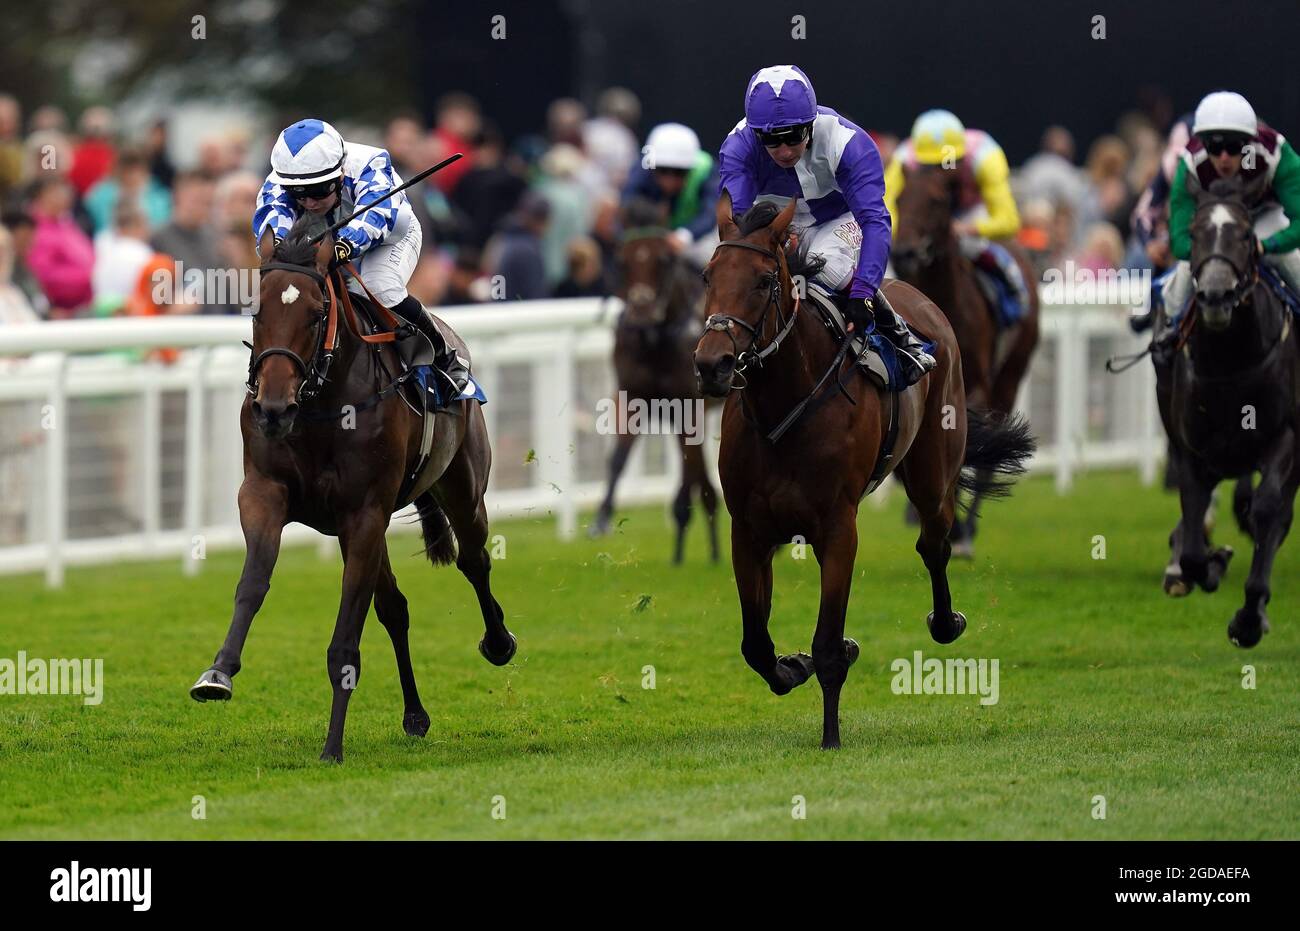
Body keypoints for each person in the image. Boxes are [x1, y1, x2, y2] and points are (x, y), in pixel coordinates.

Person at [719, 65, 934, 385]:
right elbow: (741, 221)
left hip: (837, 220)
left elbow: (875, 221)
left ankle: (900, 335)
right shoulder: (738, 146)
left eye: (793, 136)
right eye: (772, 141)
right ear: (755, 134)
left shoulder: (850, 143)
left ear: (810, 125)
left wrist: (862, 292)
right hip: (775, 223)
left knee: (826, 262)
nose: (785, 151)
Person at [252, 118, 469, 399]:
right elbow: (272, 222)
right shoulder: (278, 181)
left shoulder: (372, 163)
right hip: (325, 241)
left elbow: (375, 217)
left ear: (340, 174)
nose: (309, 203)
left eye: (318, 191)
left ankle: (445, 357)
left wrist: (345, 246)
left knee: (379, 287)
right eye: (299, 195)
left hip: (390, 235)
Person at [1155, 90, 1300, 355]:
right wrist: (1208, 252)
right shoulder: (1189, 164)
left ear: (1249, 142)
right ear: (1202, 143)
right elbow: (1178, 239)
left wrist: (1268, 245)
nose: (1223, 157)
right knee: (1181, 281)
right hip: (1215, 228)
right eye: (1214, 146)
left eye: (1233, 147)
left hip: (1263, 218)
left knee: (1292, 263)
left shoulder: (1276, 153)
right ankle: (1169, 338)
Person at [885, 109, 1030, 328]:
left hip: (970, 212)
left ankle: (1015, 294)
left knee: (972, 246)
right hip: (928, 215)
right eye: (931, 166)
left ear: (961, 156)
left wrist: (967, 229)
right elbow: (886, 211)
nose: (939, 173)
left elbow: (1008, 220)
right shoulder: (905, 157)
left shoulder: (986, 156)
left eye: (947, 163)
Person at [621, 122, 719, 267]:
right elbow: (627, 204)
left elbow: (710, 213)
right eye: (662, 170)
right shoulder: (642, 168)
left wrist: (684, 236)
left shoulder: (706, 170)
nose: (669, 181)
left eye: (679, 172)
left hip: (694, 239)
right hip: (652, 233)